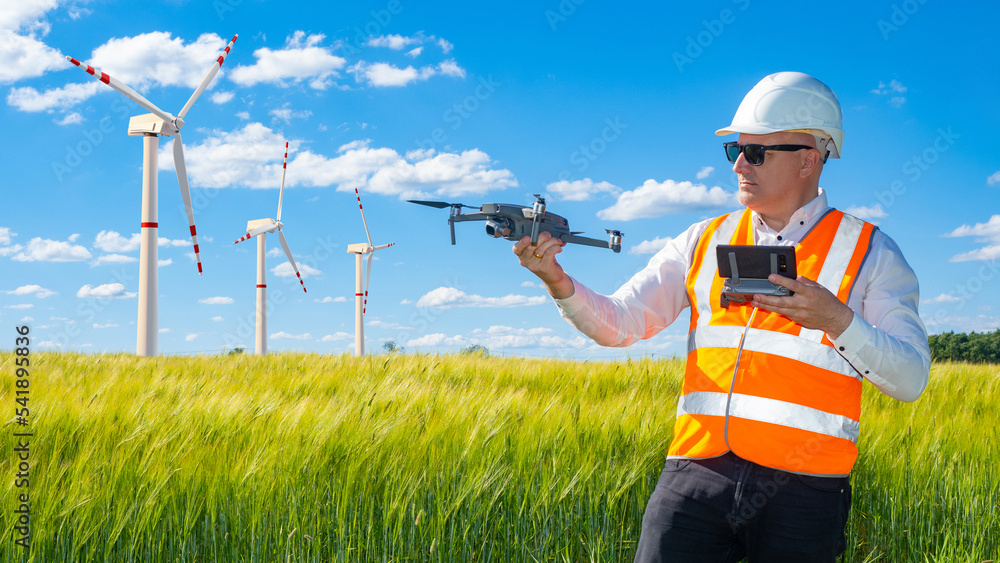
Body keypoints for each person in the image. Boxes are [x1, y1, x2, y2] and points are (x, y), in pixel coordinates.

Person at [513, 71, 930, 562]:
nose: (738, 166)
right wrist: (557, 280)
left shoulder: (871, 252)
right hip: (694, 474)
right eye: (735, 150)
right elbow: (621, 323)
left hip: (806, 491)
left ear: (809, 159)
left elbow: (911, 378)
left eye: (756, 153)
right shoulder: (701, 239)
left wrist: (837, 319)